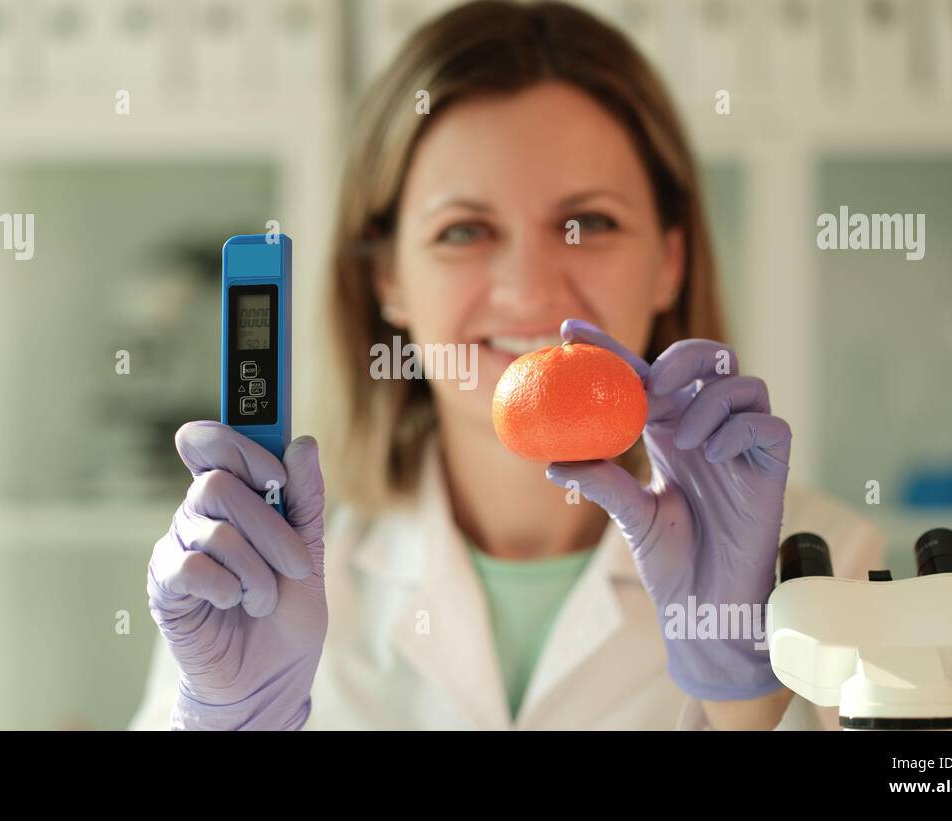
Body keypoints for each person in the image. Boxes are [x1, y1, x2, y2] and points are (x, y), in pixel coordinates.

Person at [130, 0, 885, 731]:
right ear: (387, 277)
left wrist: (745, 709)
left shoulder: (825, 564)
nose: (529, 290)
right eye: (464, 230)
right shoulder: (256, 580)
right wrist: (228, 724)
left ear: (672, 259)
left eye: (588, 223)